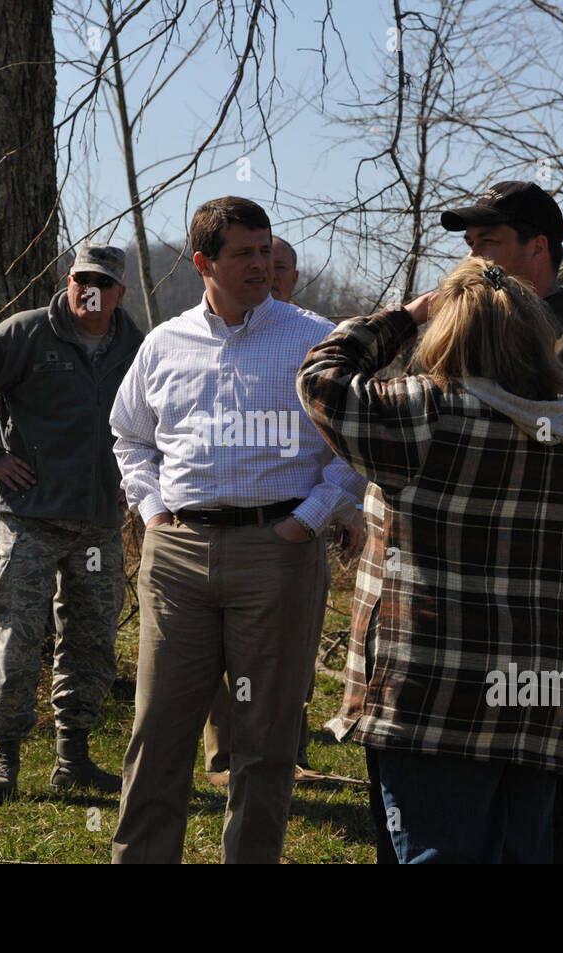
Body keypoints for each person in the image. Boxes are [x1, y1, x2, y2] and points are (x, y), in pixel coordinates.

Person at [297, 257, 563, 863]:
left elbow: (320, 376)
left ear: (448, 332)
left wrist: (406, 317)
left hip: (435, 699)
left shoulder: (427, 415)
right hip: (539, 702)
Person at [109, 197, 362, 864]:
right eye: (244, 254)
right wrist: (154, 512)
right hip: (177, 553)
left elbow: (354, 450)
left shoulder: (314, 339)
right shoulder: (163, 343)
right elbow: (129, 436)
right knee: (158, 732)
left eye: (265, 249)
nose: (261, 264)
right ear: (204, 263)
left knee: (266, 737)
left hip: (276, 551)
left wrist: (306, 523)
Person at [440, 181, 563, 864]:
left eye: (489, 244)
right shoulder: (473, 325)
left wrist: (553, 552)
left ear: (538, 248)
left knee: (541, 755)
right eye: (469, 245)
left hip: (547, 588)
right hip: (465, 578)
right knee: (472, 747)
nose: (473, 259)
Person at [0, 242, 144, 802]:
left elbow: (162, 413)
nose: (90, 290)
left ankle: (73, 756)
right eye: (82, 278)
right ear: (69, 280)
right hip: (29, 517)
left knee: (93, 639)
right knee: (16, 639)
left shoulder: (136, 344)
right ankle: (5, 756)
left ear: (120, 293)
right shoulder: (27, 333)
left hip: (100, 520)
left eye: (103, 282)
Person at [199, 234, 365, 787]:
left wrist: (323, 513)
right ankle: (224, 759)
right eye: (254, 261)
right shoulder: (211, 341)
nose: (268, 272)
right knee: (224, 651)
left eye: (279, 265)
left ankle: (285, 753)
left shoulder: (316, 340)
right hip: (223, 530)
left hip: (296, 526)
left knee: (290, 647)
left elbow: (344, 443)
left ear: (291, 276)